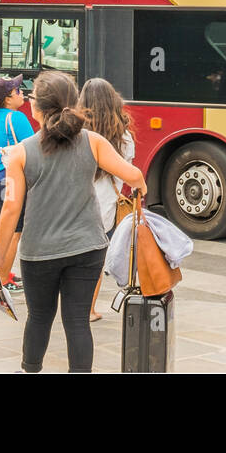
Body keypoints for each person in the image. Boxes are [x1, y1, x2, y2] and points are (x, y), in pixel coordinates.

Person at [0, 72, 146, 373]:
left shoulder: (21, 153)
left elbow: (11, 209)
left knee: (39, 317)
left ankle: (31, 369)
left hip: (39, 252)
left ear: (37, 109)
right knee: (76, 321)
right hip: (88, 247)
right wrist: (142, 190)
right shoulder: (93, 141)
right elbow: (134, 176)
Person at [77, 77, 136, 321]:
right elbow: (129, 175)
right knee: (95, 262)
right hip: (105, 211)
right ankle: (88, 309)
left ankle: (71, 304)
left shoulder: (76, 134)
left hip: (74, 205)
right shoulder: (123, 138)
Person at [0, 75, 35, 292]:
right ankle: (3, 278)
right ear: (9, 97)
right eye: (19, 90)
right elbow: (33, 149)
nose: (22, 93)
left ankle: (4, 272)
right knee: (15, 230)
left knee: (9, 229)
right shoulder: (17, 118)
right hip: (9, 181)